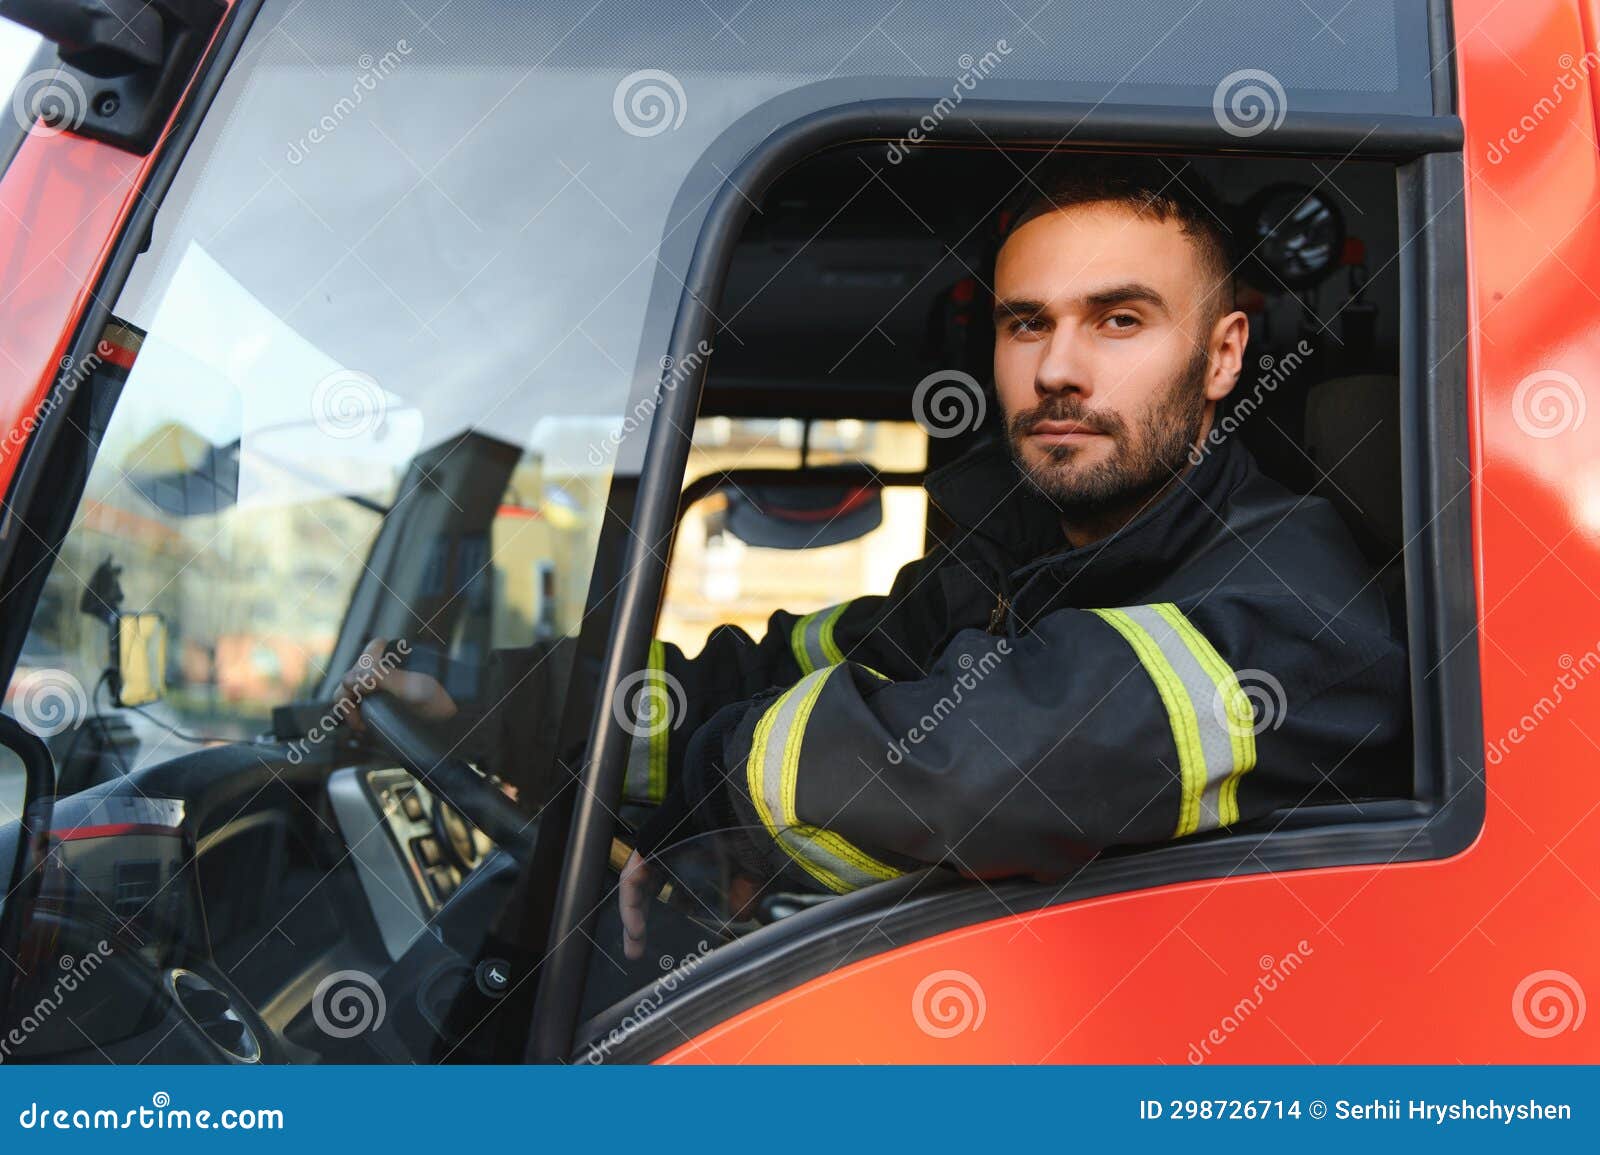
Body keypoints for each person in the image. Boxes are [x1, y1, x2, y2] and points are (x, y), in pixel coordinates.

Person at [342, 157, 1410, 961]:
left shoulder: (1295, 609)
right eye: (1025, 324)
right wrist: (501, 705)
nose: (1059, 370)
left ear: (1223, 354)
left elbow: (966, 767)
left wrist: (724, 835)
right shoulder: (1021, 553)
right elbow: (791, 669)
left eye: (1119, 320)